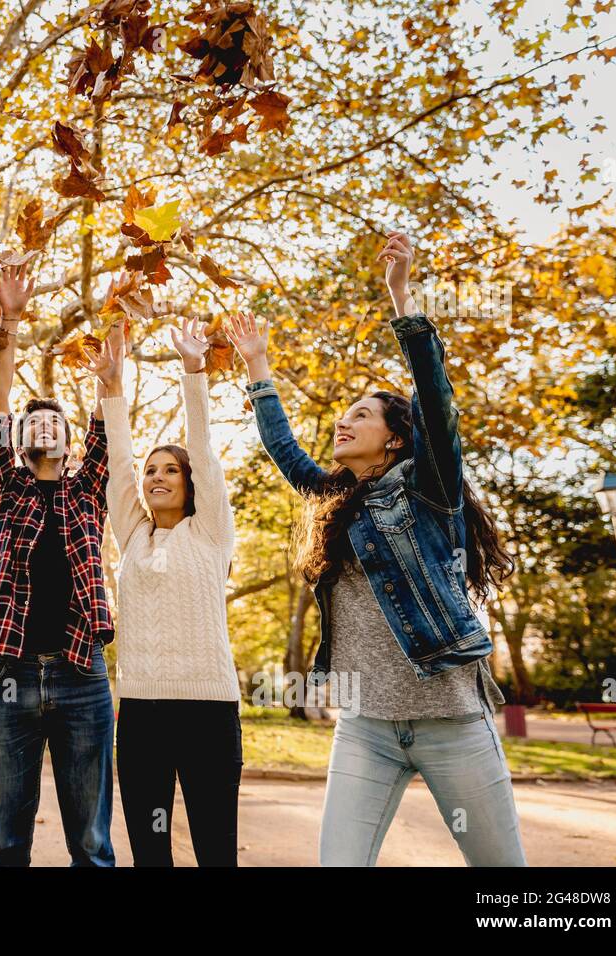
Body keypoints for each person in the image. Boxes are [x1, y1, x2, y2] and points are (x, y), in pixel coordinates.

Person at [224, 232, 525, 866]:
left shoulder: (428, 491)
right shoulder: (337, 501)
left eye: (362, 415)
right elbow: (286, 451)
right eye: (344, 413)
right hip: (365, 727)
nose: (344, 421)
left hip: (449, 719)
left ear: (395, 441)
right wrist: (258, 368)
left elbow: (437, 404)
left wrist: (401, 298)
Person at [0, 262, 122, 866]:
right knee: (6, 841)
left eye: (54, 421)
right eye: (33, 421)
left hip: (81, 672)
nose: (42, 424)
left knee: (90, 842)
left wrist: (111, 342)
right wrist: (8, 320)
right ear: (19, 438)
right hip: (9, 675)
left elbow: (109, 426)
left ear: (69, 441)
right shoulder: (1, 489)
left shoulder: (88, 489)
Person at [96, 316, 243, 866]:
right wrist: (111, 386)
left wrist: (193, 370)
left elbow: (202, 448)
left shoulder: (210, 532)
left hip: (208, 712)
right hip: (141, 714)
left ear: (189, 482)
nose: (157, 476)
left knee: (213, 851)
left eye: (170, 470)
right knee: (150, 853)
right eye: (151, 470)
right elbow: (117, 467)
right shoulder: (134, 534)